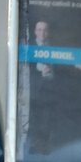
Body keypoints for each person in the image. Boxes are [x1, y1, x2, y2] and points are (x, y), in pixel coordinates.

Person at [27, 19, 58, 154]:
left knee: (47, 117)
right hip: (35, 87)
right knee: (35, 117)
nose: (42, 33)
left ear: (49, 32)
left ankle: (43, 145)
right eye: (39, 30)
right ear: (35, 32)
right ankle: (35, 143)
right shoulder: (29, 46)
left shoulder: (54, 46)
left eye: (45, 30)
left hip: (51, 87)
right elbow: (25, 67)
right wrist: (40, 70)